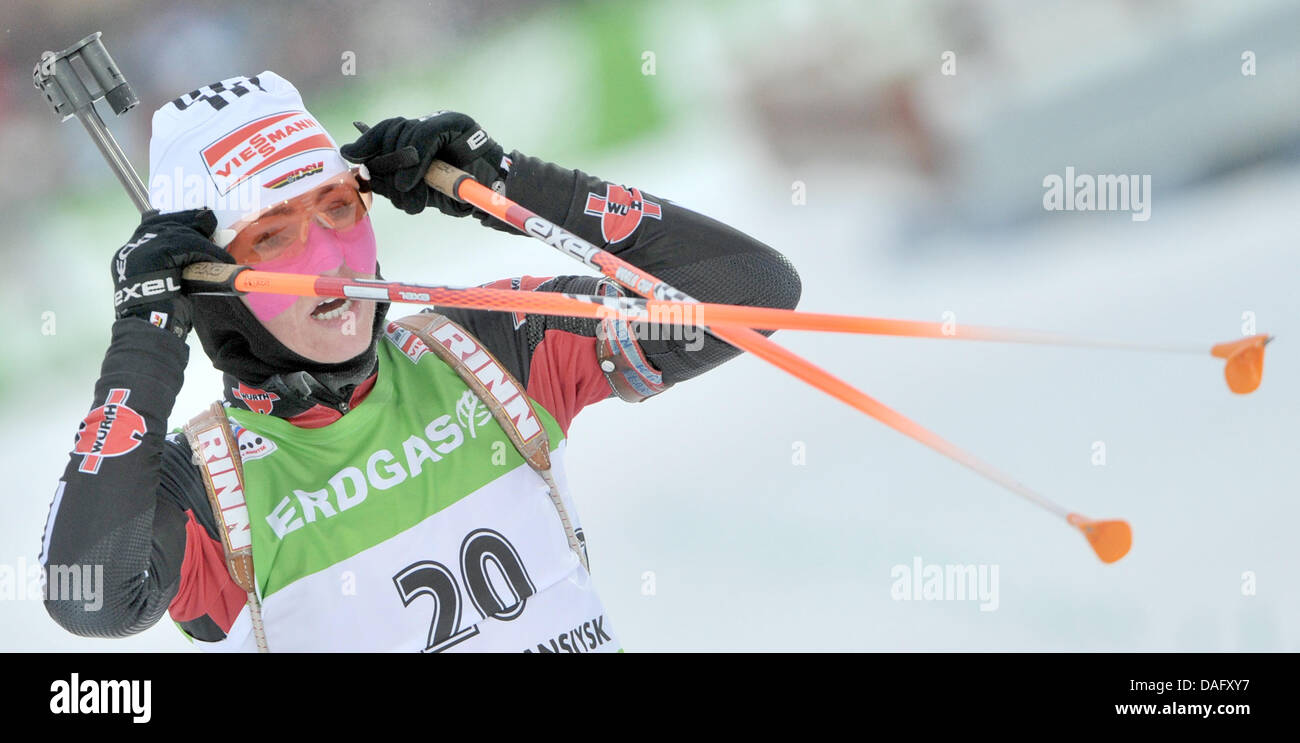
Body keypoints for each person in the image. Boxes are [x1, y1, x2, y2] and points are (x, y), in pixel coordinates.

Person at [40, 71, 800, 652]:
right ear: (209, 285)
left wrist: (507, 185)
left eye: (339, 207)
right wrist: (146, 337)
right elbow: (86, 593)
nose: (330, 259)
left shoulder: (486, 346)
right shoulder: (204, 484)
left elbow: (748, 294)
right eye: (272, 235)